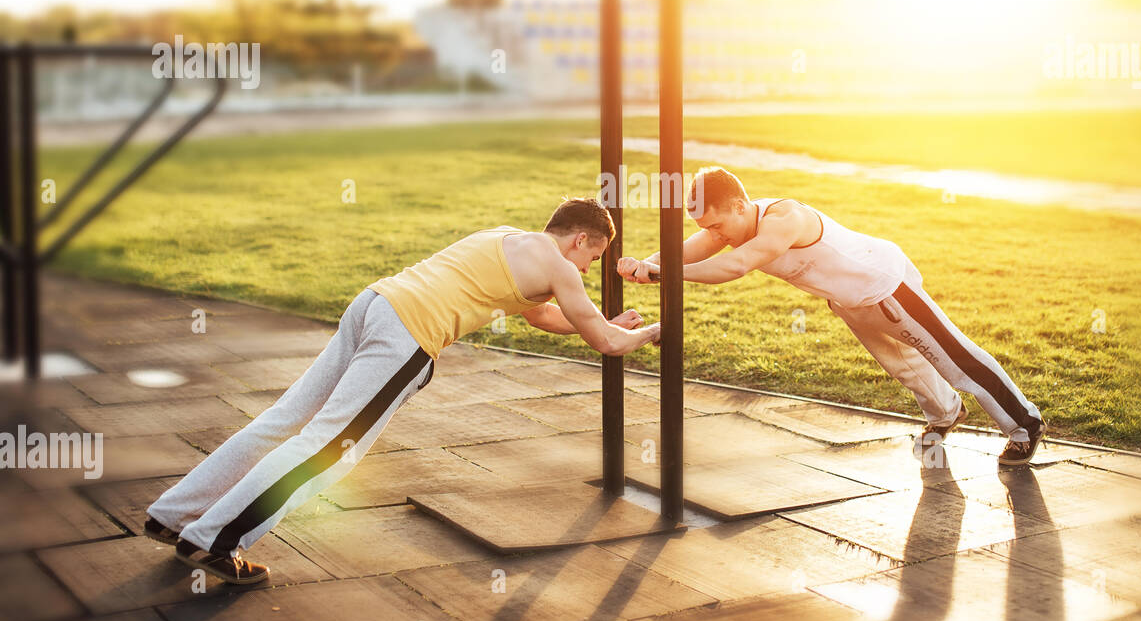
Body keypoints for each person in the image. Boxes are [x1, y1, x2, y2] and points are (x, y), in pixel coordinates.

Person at [145, 197, 659, 585]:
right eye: (594, 257)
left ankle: (172, 516)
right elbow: (605, 341)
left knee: (283, 422)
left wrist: (608, 322)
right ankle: (212, 541)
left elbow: (546, 315)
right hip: (407, 333)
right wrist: (651, 331)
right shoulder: (560, 266)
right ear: (580, 241)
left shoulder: (509, 238)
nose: (588, 269)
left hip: (373, 303)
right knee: (327, 449)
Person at [619, 167, 1045, 466]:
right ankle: (945, 415)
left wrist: (662, 272)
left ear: (739, 204)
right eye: (706, 228)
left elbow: (734, 267)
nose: (713, 236)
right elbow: (682, 254)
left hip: (886, 285)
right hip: (849, 301)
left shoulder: (784, 219)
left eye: (715, 225)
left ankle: (1025, 424)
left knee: (954, 360)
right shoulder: (727, 226)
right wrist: (643, 264)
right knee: (903, 367)